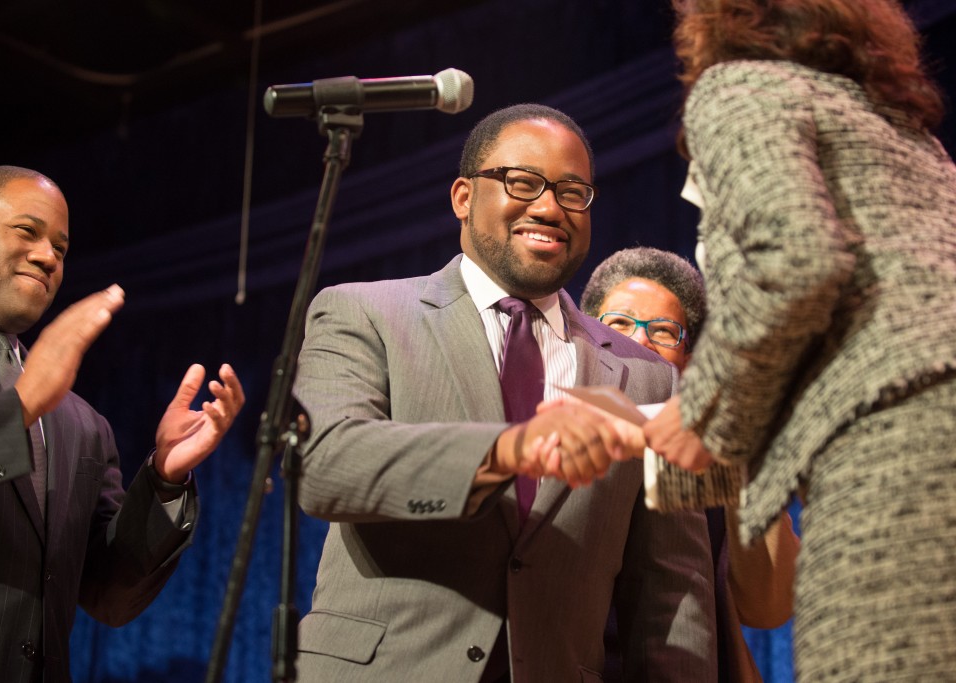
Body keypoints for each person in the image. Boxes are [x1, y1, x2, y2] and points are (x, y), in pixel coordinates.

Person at [292, 104, 718, 682]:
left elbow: (673, 594)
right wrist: (507, 450)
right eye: (522, 182)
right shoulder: (364, 313)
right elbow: (326, 466)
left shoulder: (648, 378)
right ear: (463, 197)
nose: (548, 207)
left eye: (573, 192)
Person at [641, 1, 956, 680]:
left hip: (890, 453)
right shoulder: (901, 130)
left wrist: (700, 412)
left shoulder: (740, 89)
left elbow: (796, 265)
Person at [0, 165, 245, 682]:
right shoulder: (39, 397)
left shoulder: (80, 422)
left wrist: (164, 481)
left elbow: (109, 593)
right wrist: (22, 405)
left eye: (61, 246)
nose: (47, 256)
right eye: (27, 231)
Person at [581, 246, 800, 682]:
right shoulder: (549, 439)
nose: (638, 341)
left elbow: (768, 607)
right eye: (619, 323)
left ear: (690, 361)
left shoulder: (714, 462)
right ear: (586, 340)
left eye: (663, 331)